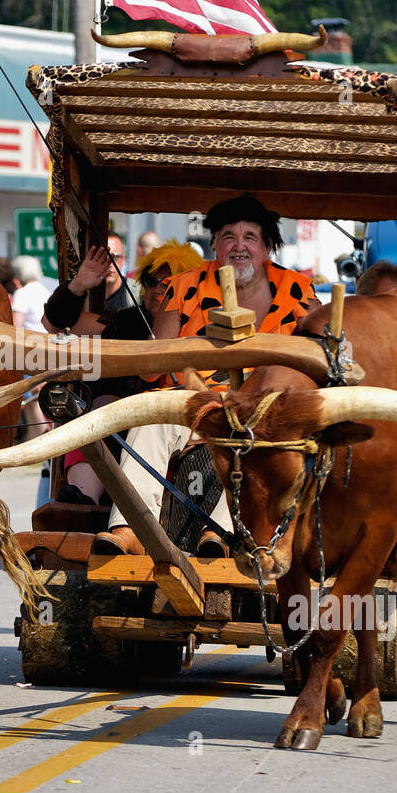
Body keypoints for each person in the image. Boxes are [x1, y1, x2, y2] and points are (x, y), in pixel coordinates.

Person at [93, 194, 320, 558]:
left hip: (263, 409)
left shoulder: (298, 290)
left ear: (267, 247)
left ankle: (220, 534)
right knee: (150, 419)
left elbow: (316, 359)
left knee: (259, 433)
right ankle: (129, 529)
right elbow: (152, 366)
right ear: (215, 244)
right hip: (193, 401)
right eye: (229, 235)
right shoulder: (183, 286)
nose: (239, 245)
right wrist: (204, 344)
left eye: (250, 236)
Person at [45, 242, 206, 506]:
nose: (158, 290)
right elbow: (55, 326)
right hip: (116, 431)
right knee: (97, 410)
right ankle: (83, 498)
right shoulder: (126, 321)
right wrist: (79, 285)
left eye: (168, 284)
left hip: (179, 435)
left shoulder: (204, 327)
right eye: (152, 282)